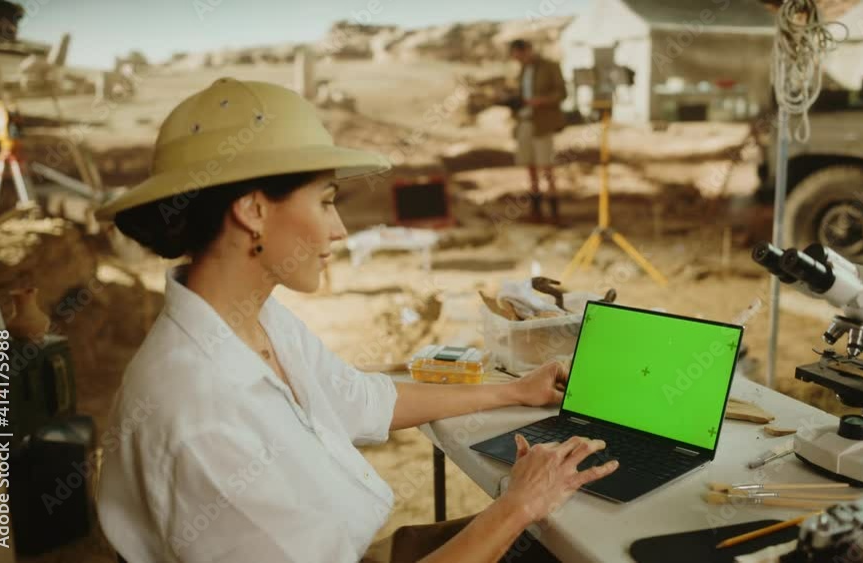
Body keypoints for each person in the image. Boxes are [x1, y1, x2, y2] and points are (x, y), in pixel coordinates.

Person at [94, 78, 618, 563]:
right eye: (325, 202)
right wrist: (518, 505)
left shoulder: (255, 322)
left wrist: (512, 393)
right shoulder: (197, 411)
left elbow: (362, 398)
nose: (340, 229)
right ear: (252, 210)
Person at [508, 39, 567, 225]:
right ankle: (536, 212)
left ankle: (554, 213)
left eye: (521, 55)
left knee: (546, 167)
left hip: (542, 123)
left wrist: (541, 101)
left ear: (528, 50)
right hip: (524, 122)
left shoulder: (549, 66)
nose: (519, 60)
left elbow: (562, 93)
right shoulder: (523, 71)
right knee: (530, 166)